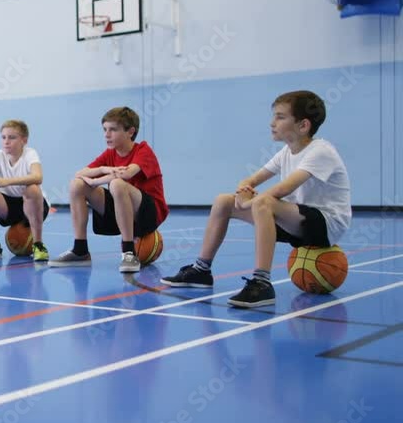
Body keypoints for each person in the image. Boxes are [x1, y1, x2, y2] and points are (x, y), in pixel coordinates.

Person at [161, 91, 351, 308]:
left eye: (280, 117)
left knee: (264, 202)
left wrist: (249, 202)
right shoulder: (286, 152)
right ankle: (201, 270)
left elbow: (284, 188)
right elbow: (250, 180)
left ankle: (262, 283)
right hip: (296, 221)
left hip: (327, 225)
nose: (272, 123)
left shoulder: (320, 151)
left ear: (303, 125)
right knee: (223, 201)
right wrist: (243, 191)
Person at [50, 107, 168, 272]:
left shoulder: (143, 150)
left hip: (149, 213)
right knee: (77, 184)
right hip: (122, 210)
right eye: (105, 129)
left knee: (117, 184)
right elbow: (80, 173)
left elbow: (126, 174)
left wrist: (95, 181)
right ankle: (80, 249)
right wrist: (103, 169)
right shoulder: (110, 153)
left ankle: (128, 252)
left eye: (113, 129)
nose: (107, 134)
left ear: (130, 132)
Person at [0, 120, 50, 262]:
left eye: (12, 137)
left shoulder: (30, 154)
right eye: (3, 137)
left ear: (24, 140)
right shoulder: (0, 156)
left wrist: (6, 181)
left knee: (32, 188)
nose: (6, 141)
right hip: (9, 207)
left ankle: (38, 245)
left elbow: (38, 177)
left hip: (34, 204)